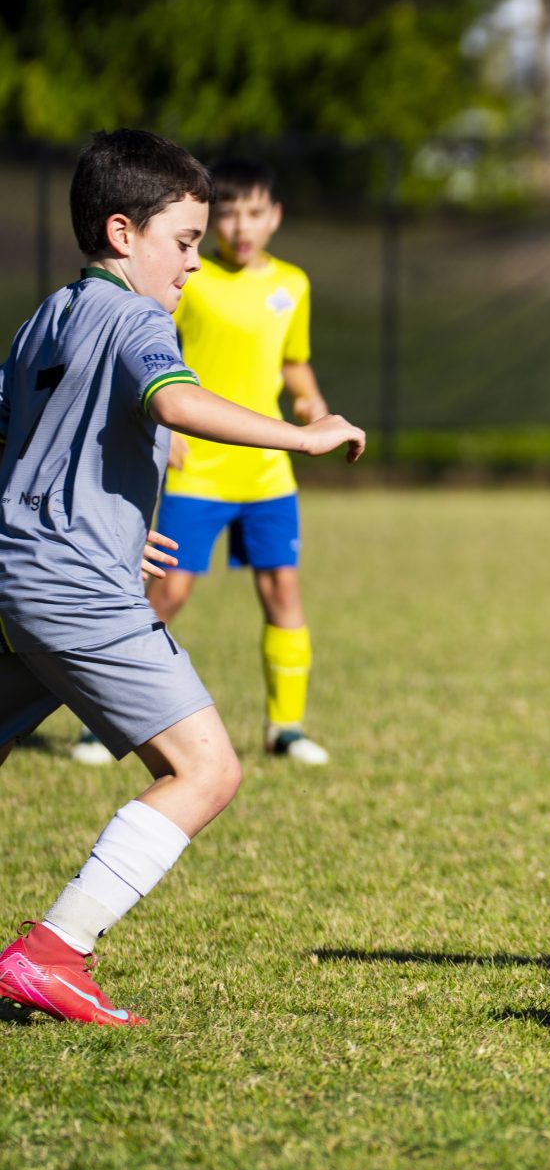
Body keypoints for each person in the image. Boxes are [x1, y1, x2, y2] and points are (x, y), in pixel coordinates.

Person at [0, 130, 365, 1025]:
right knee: (205, 770)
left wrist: (102, 526)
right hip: (78, 589)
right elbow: (173, 400)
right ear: (123, 232)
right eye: (186, 241)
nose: (194, 264)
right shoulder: (137, 318)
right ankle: (54, 953)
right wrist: (302, 434)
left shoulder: (46, 313)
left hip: (17, 575)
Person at [72, 156, 333, 767]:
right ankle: (101, 722)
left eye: (255, 213)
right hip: (200, 470)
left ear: (275, 217)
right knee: (168, 593)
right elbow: (155, 352)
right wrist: (172, 433)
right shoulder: (191, 279)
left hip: (268, 473)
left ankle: (285, 727)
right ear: (214, 224)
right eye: (231, 215)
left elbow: (293, 359)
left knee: (282, 592)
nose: (242, 227)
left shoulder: (292, 285)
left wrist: (308, 396)